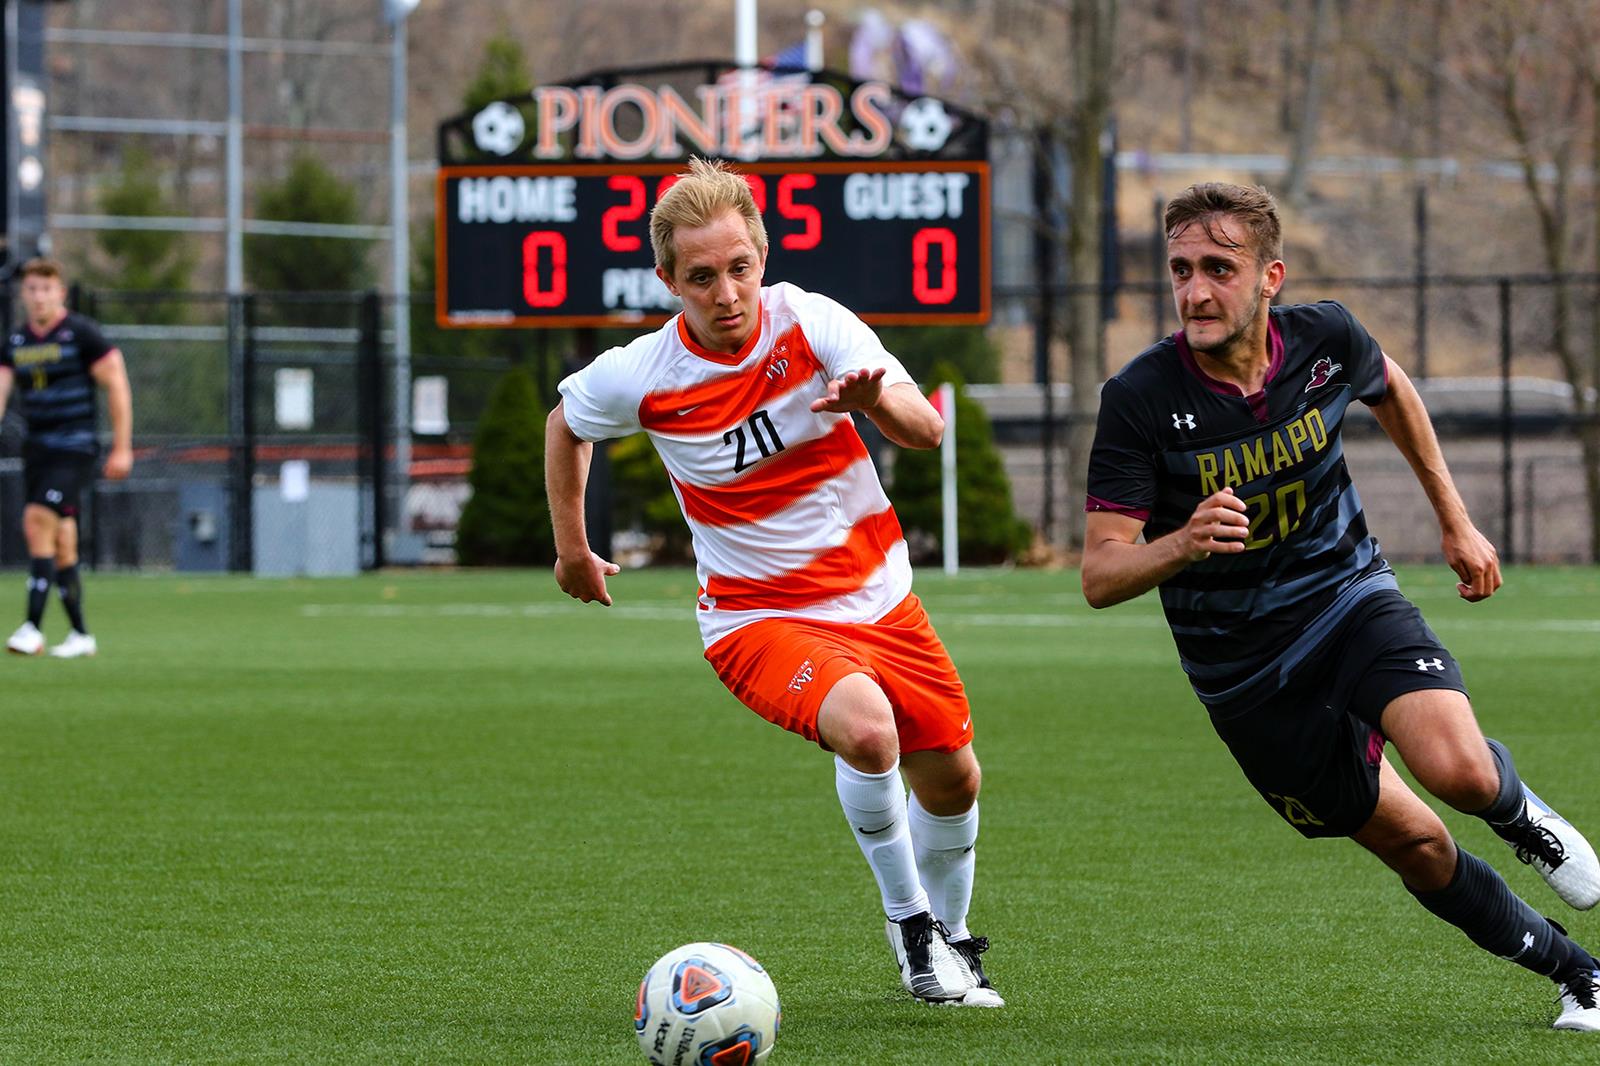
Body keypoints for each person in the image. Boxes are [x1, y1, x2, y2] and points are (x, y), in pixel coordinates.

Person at [1082, 181, 1600, 1031]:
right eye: (1180, 270)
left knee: (1460, 773)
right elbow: (1101, 576)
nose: (1196, 291)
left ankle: (1517, 811)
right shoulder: (1139, 397)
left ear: (1270, 277)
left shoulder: (1327, 338)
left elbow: (1390, 386)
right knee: (1420, 846)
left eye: (1219, 267)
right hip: (1247, 676)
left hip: (1347, 597)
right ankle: (1580, 972)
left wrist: (1455, 519)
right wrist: (1183, 540)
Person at [545, 157, 999, 1007]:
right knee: (868, 732)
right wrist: (573, 549)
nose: (726, 293)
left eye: (740, 267)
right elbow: (565, 425)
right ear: (668, 280)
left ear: (763, 254)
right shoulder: (644, 372)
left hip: (880, 597)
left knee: (955, 779)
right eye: (702, 277)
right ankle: (912, 934)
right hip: (755, 618)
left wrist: (872, 403)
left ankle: (957, 943)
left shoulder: (813, 322)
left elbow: (927, 428)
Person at [0, 257, 133, 658]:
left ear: (61, 292)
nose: (38, 296)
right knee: (62, 541)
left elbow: (117, 384)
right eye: (32, 289)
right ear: (24, 294)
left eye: (46, 288)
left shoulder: (81, 333)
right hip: (38, 450)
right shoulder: (18, 341)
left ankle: (31, 628)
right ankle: (80, 635)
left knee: (37, 519)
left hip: (75, 448)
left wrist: (122, 446)